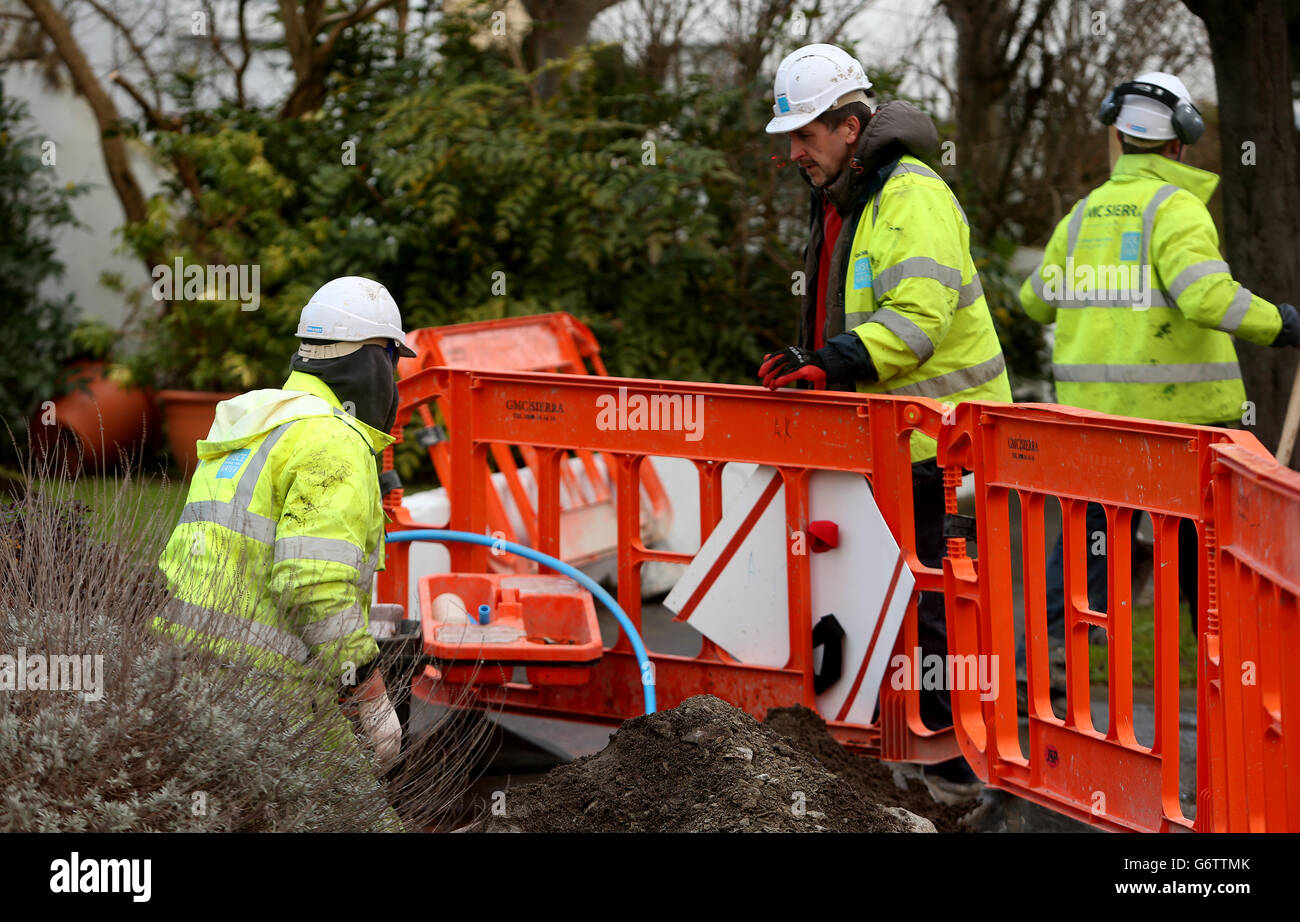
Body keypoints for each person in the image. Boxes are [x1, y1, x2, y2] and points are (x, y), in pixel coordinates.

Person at [759, 43, 1012, 801]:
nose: (795, 153)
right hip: (903, 445)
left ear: (849, 125)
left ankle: (957, 775)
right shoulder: (853, 194)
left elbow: (917, 324)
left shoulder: (908, 195)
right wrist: (816, 362)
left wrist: (831, 361)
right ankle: (917, 767)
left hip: (945, 448)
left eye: (805, 136)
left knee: (934, 613)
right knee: (901, 604)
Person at [1019, 72, 1300, 679]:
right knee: (1208, 566)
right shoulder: (1177, 209)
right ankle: (1229, 681)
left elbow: (1036, 301)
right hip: (1182, 427)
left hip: (1091, 423)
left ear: (1118, 135)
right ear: (1181, 143)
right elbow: (1207, 300)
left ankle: (1048, 677)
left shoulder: (1082, 215)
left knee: (1086, 551)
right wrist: (1283, 323)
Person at [155, 276, 418, 772]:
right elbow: (313, 583)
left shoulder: (257, 423)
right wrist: (371, 695)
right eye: (393, 362)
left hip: (175, 670)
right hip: (265, 691)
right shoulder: (333, 440)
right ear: (375, 362)